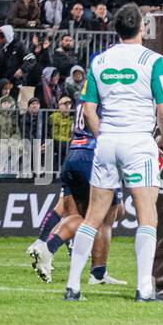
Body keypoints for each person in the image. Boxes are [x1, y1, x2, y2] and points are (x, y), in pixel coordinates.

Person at [62, 3, 163, 302]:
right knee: (147, 214)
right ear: (141, 27)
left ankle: (73, 286)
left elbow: (87, 109)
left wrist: (103, 135)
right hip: (138, 141)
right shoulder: (154, 60)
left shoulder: (100, 61)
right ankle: (144, 289)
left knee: (93, 215)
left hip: (108, 141)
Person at [26, 94, 127, 286]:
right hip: (93, 156)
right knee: (103, 217)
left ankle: (46, 247)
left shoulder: (88, 91)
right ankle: (97, 274)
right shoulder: (110, 91)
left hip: (74, 154)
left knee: (83, 216)